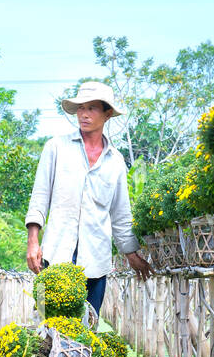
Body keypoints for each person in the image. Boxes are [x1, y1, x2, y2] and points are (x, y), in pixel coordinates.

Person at [24, 81, 153, 314]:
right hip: (54, 255)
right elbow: (40, 196)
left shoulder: (116, 162)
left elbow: (120, 215)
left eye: (91, 108)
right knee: (47, 326)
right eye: (81, 108)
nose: (83, 114)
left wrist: (131, 254)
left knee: (88, 330)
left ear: (107, 113)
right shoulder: (56, 148)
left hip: (95, 262)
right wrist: (33, 241)